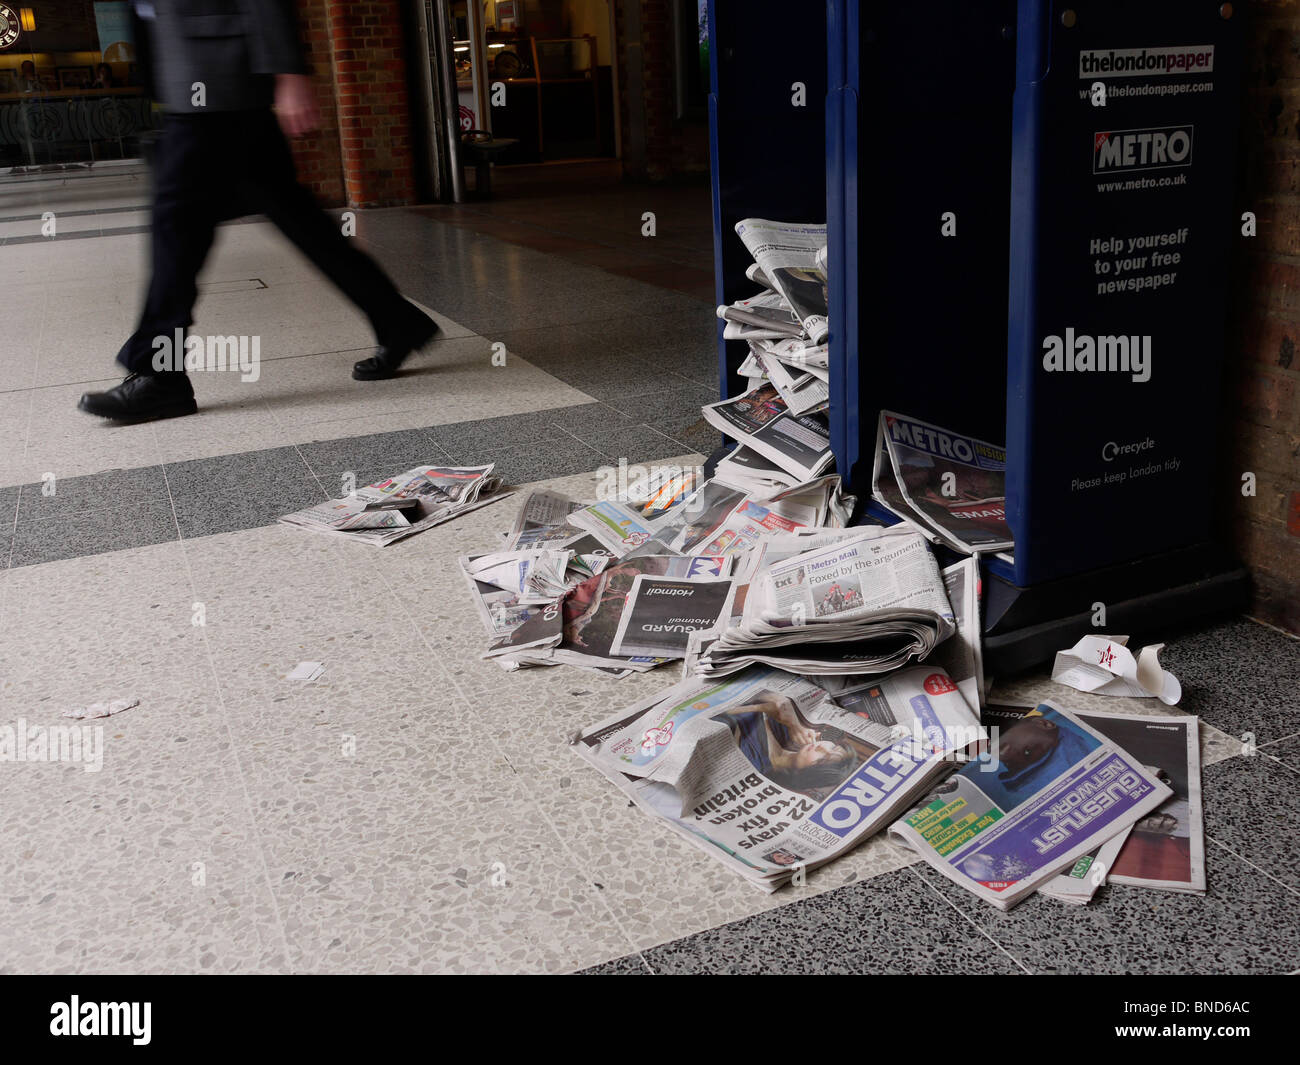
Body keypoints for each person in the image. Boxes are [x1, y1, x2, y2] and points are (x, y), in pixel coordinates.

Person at [78, 0, 438, 423]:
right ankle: (396, 321)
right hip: (199, 82)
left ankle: (161, 375)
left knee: (176, 226)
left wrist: (288, 71)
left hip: (218, 79)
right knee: (294, 217)